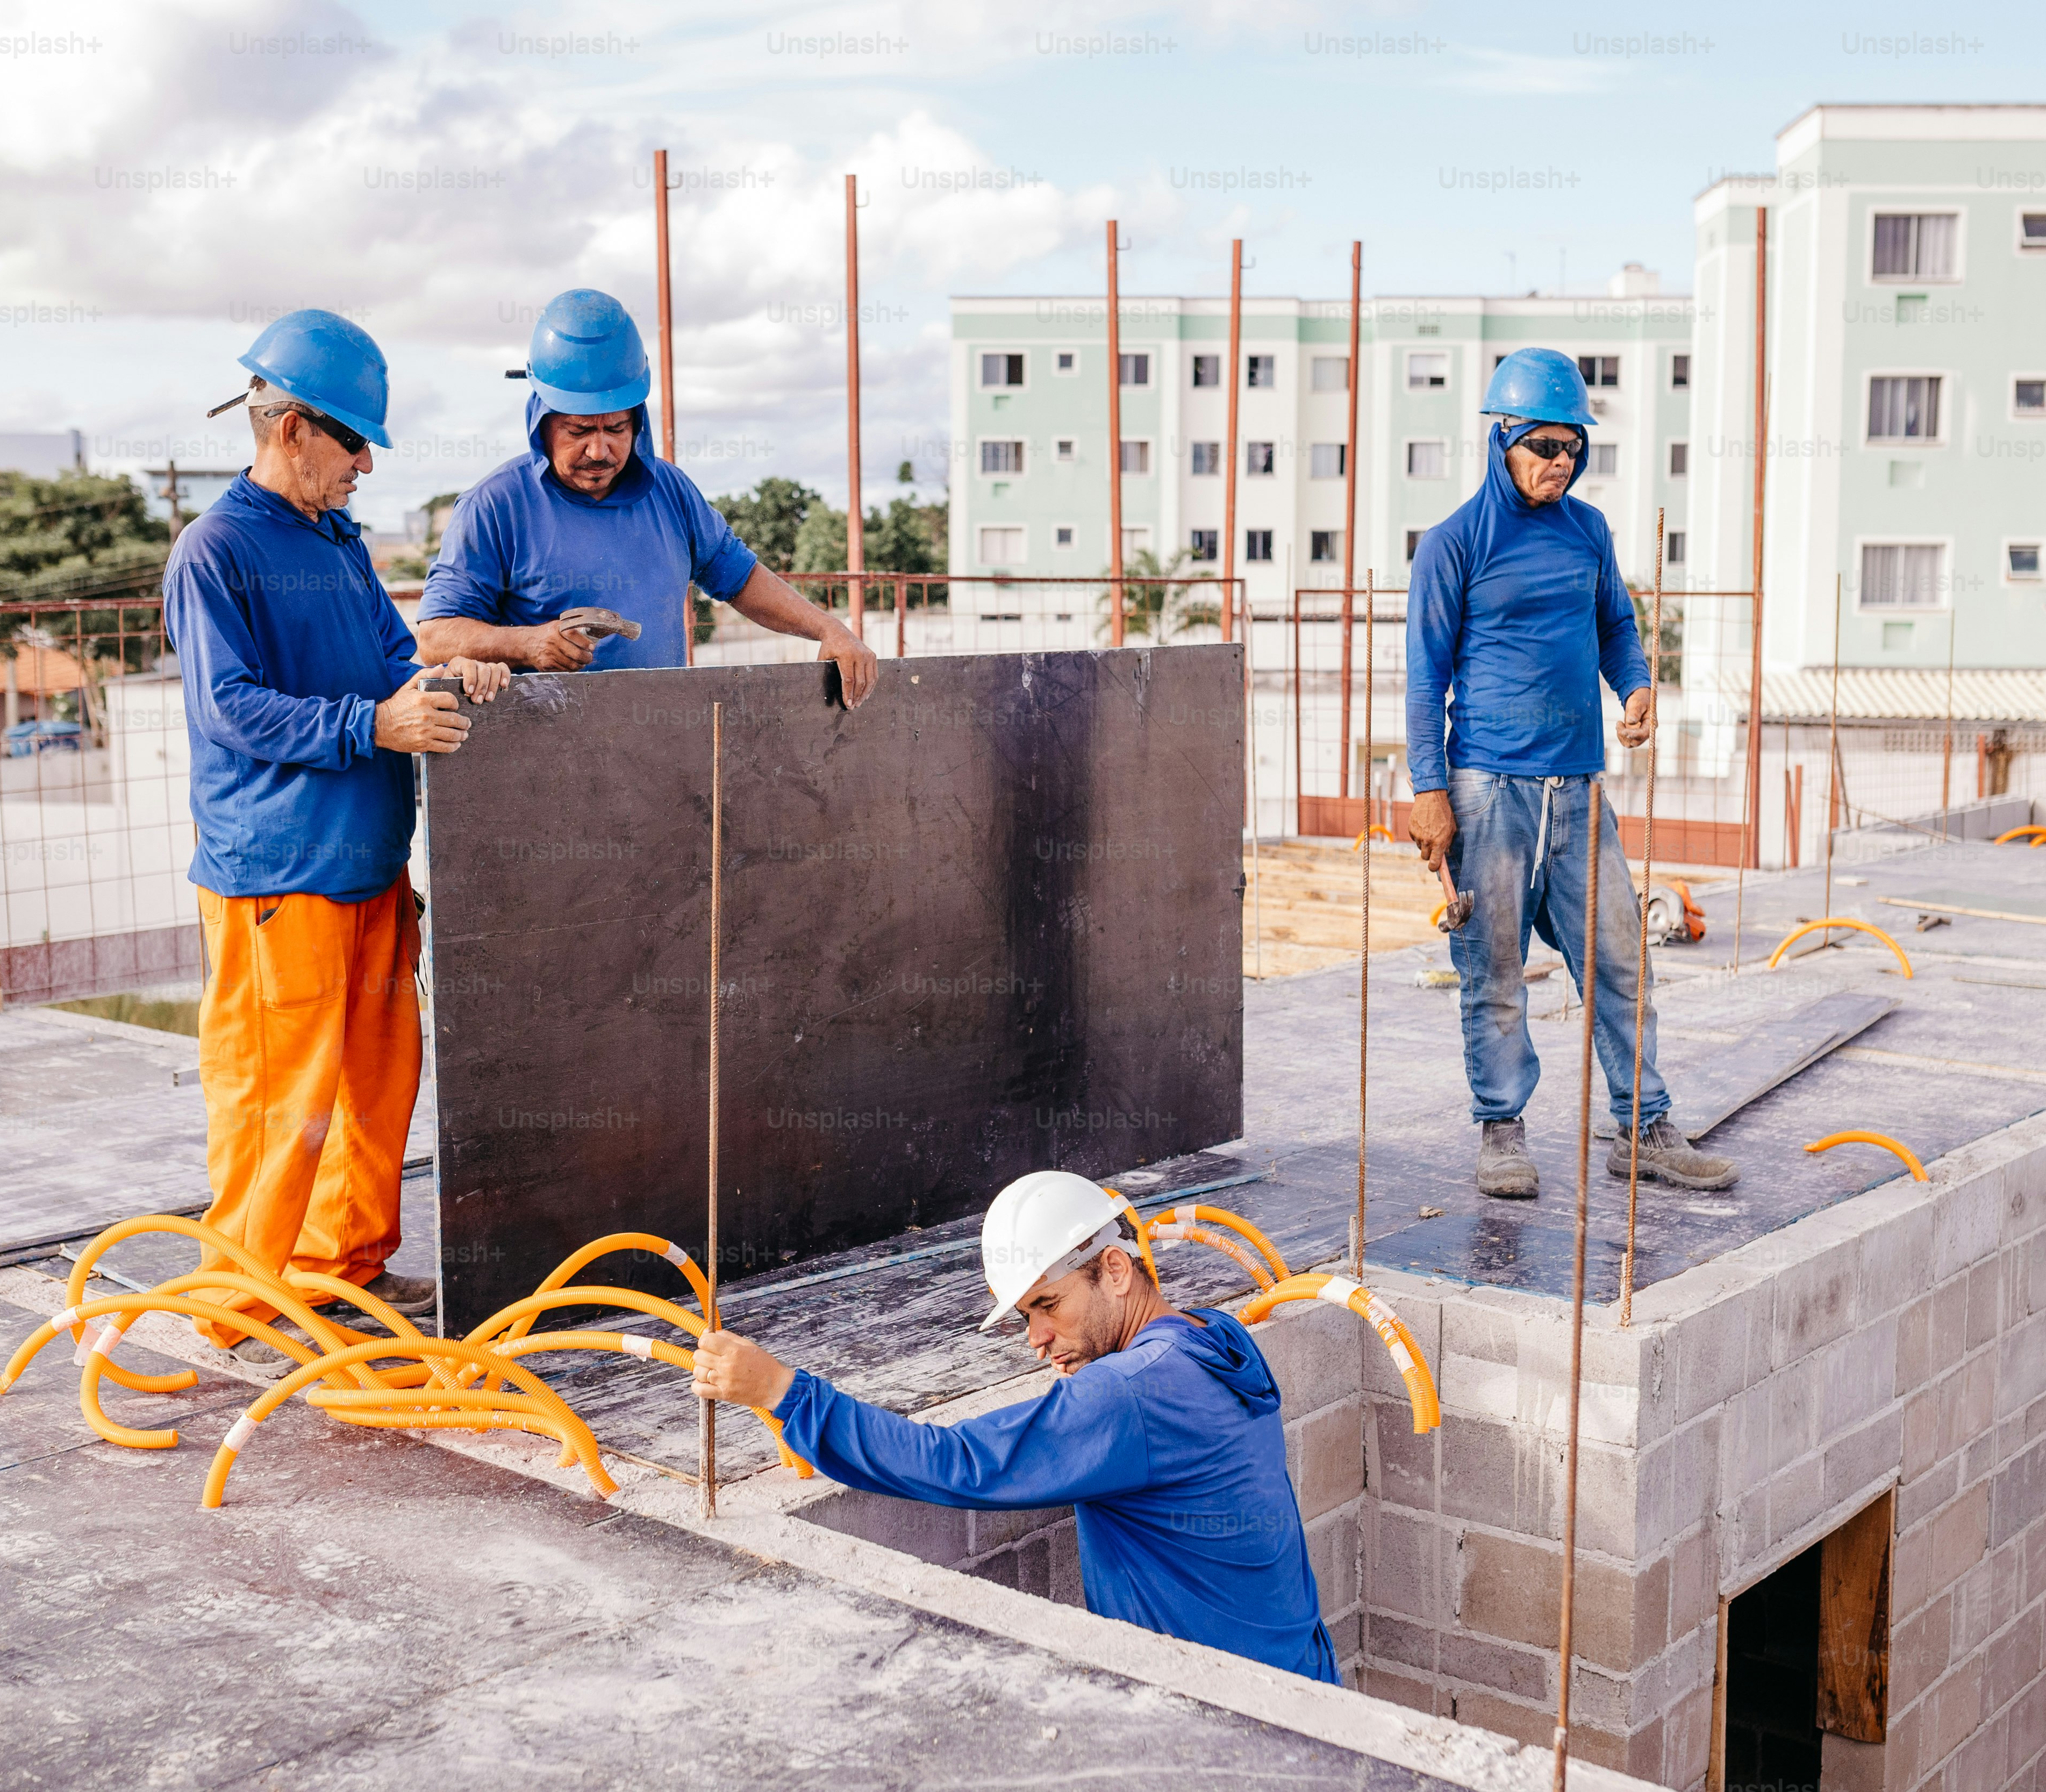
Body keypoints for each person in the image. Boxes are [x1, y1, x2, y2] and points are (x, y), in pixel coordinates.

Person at [167, 308, 512, 1359]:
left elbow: (386, 662)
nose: (366, 464)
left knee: (371, 1096)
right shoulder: (215, 551)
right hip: (277, 881)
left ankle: (343, 1274)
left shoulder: (336, 543)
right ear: (291, 430)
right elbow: (229, 706)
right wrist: (374, 723)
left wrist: (453, 674)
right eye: (354, 441)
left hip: (367, 874)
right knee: (277, 1107)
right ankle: (239, 1306)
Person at [691, 1170, 1339, 1682]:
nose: (1036, 1339)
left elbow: (956, 1462)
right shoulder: (1210, 1337)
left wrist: (782, 1392)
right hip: (1303, 1683)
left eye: (1048, 1305)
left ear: (1115, 1270)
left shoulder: (1128, 1395)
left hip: (1232, 1732)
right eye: (1026, 1315)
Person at [1402, 346, 1736, 1200]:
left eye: (1573, 448)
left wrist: (1636, 686)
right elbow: (1423, 674)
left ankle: (1644, 1126)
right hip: (1490, 789)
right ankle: (1502, 1130)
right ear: (1502, 439)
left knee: (1621, 958)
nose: (1561, 463)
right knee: (1497, 970)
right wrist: (1429, 791)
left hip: (1579, 789)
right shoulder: (1453, 544)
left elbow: (1618, 625)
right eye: (1546, 446)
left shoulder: (1588, 532)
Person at [414, 289, 878, 704]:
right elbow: (434, 638)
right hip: (543, 761)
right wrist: (527, 643)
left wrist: (828, 628)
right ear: (542, 420)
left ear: (638, 420)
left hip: (658, 746)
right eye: (578, 431)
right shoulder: (495, 507)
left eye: (616, 428)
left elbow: (740, 578)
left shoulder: (672, 493)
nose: (599, 450)